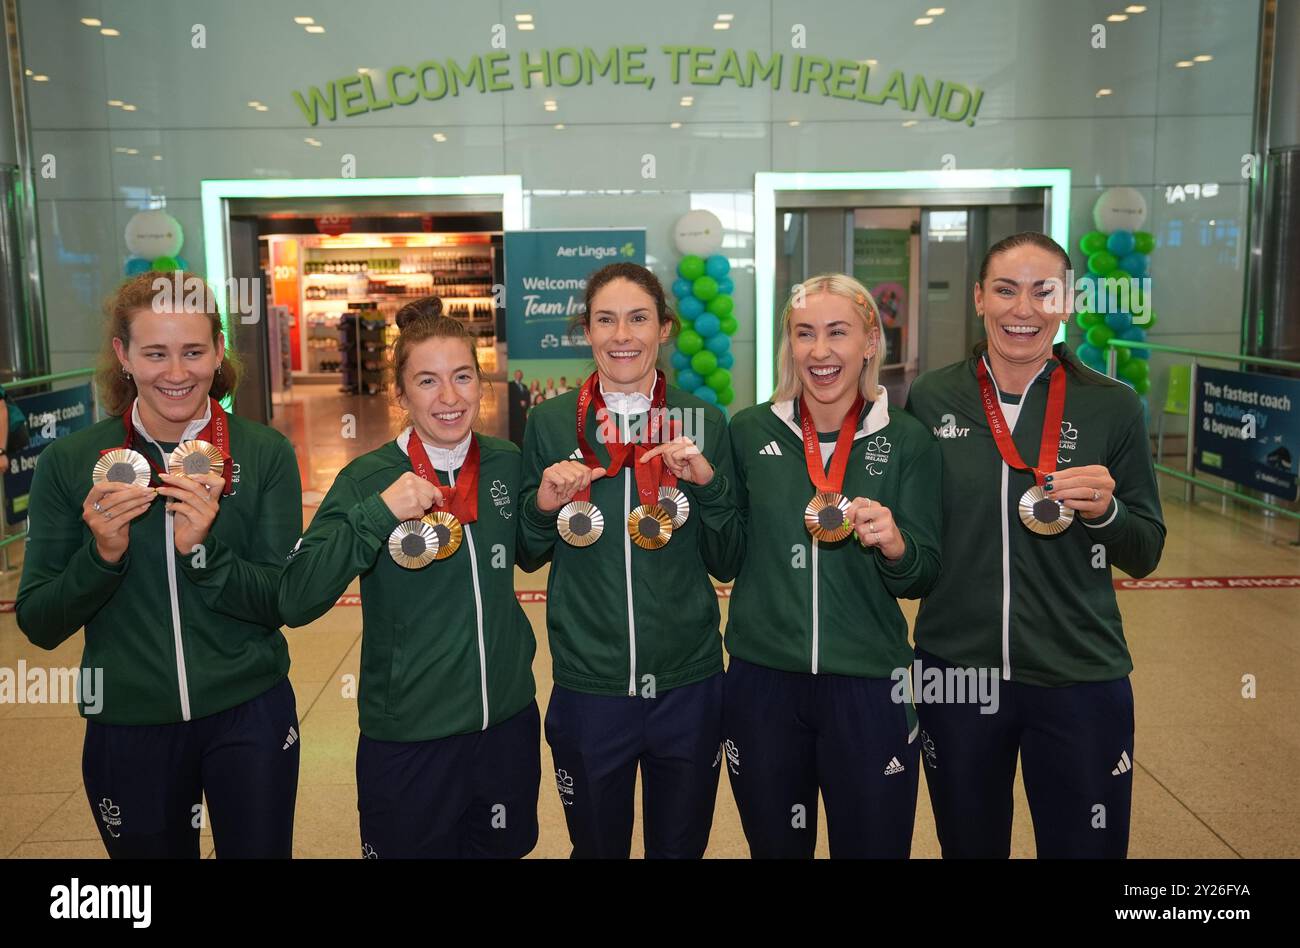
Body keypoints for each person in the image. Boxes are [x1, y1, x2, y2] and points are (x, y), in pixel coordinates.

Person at [16, 270, 303, 858]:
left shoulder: (263, 451)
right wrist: (102, 556)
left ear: (218, 351)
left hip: (249, 712)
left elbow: (284, 599)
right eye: (155, 353)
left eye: (194, 351)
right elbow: (39, 623)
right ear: (123, 355)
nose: (176, 374)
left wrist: (204, 551)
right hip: (128, 720)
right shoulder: (71, 463)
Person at [904, 232, 1165, 858]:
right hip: (958, 674)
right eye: (1005, 289)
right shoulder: (932, 398)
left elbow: (1146, 548)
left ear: (1066, 300)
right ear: (978, 298)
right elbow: (919, 542)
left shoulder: (1113, 405)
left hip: (1077, 672)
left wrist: (1106, 512)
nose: (1023, 309)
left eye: (1042, 291)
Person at [279, 298, 540, 859]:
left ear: (480, 382)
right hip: (410, 738)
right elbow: (297, 596)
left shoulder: (506, 461)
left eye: (462, 377)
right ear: (399, 393)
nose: (449, 398)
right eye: (427, 381)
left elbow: (528, 551)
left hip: (506, 726)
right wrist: (374, 514)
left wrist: (546, 505)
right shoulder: (367, 478)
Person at [518, 261, 741, 858]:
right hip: (591, 686)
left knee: (680, 847)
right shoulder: (547, 422)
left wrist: (710, 483)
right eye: (606, 320)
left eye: (638, 318)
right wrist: (543, 503)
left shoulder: (703, 420)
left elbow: (728, 559)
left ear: (664, 328)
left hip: (688, 685)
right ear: (586, 332)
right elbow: (530, 552)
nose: (622, 335)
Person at [722, 273, 941, 858]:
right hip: (762, 681)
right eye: (804, 334)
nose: (820, 352)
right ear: (789, 345)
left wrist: (896, 544)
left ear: (870, 341)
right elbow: (725, 558)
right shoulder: (748, 431)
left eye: (838, 333)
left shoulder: (908, 440)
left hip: (870, 685)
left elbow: (923, 574)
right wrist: (706, 495)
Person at [508, 368, 530, 446]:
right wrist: (518, 402)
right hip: (514, 414)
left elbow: (528, 398)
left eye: (520, 375)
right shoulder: (510, 385)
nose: (519, 376)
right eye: (517, 374)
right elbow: (509, 398)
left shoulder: (524, 386)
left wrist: (525, 403)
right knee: (514, 434)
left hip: (522, 414)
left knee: (522, 433)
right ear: (514, 375)